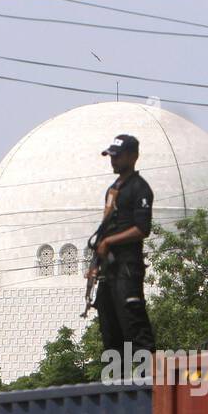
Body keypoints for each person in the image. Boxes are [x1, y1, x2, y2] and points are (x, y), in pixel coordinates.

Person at [88, 134, 156, 368]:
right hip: (109, 268)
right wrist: (96, 263)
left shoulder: (140, 188)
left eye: (118, 156)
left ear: (133, 156)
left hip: (128, 266)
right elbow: (105, 230)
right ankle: (117, 386)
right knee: (109, 326)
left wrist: (111, 242)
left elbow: (142, 229)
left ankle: (149, 381)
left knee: (133, 323)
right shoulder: (112, 189)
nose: (113, 161)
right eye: (111, 156)